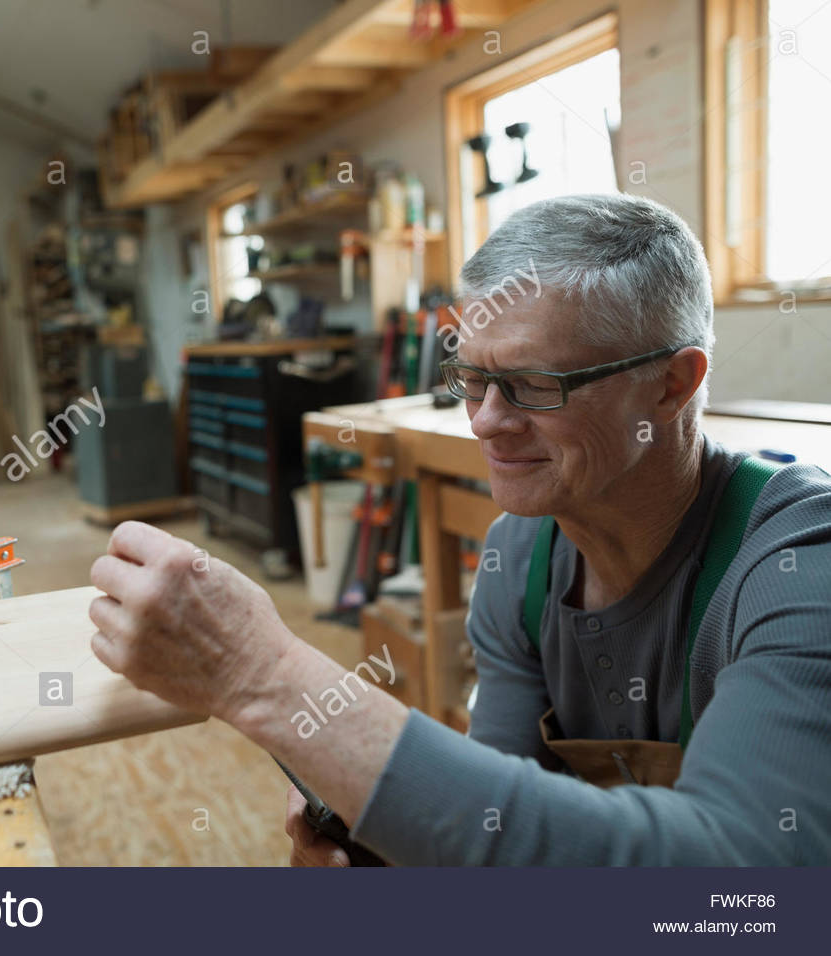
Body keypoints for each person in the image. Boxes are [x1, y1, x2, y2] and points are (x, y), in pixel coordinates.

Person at [88, 194, 831, 865]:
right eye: (471, 380)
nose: (486, 421)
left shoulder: (798, 561)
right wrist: (396, 842)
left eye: (534, 384)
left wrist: (264, 679)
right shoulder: (522, 554)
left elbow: (746, 885)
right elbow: (501, 816)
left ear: (673, 384)